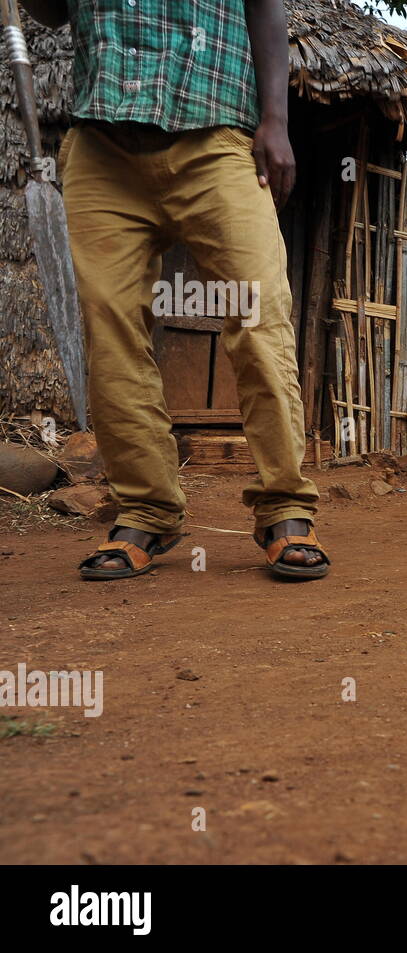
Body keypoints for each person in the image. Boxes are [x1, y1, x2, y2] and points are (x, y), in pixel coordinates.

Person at [22, 0, 328, 580]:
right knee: (111, 332)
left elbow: (265, 5)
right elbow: (52, 11)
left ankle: (285, 505)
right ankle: (146, 509)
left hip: (217, 136)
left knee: (259, 314)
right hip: (103, 144)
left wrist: (277, 120)